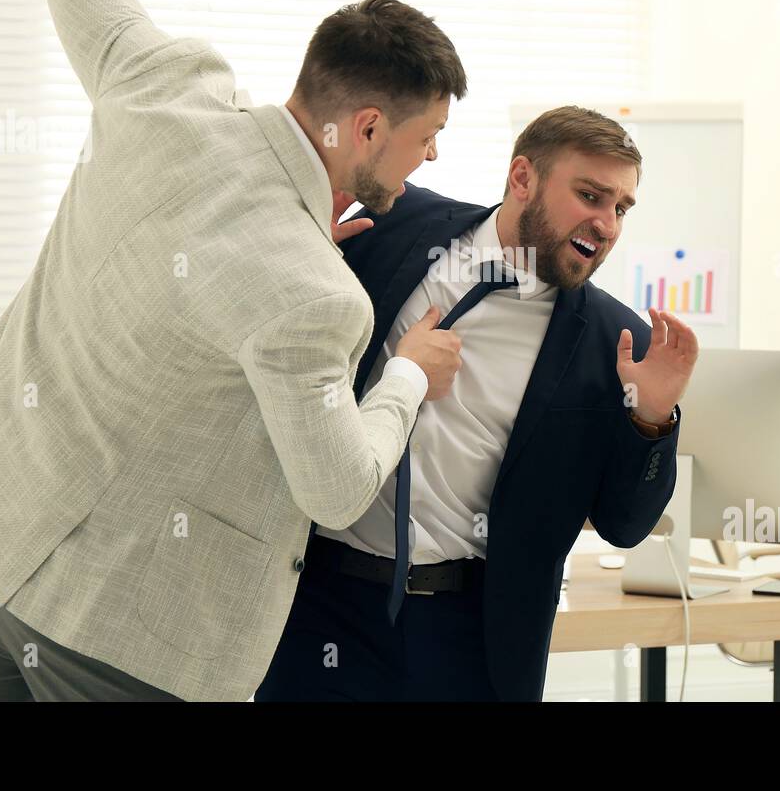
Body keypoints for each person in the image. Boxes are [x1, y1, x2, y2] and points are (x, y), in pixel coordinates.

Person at [0, 0, 468, 701]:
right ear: (366, 127)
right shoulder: (314, 295)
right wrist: (408, 376)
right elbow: (336, 488)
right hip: (118, 634)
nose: (429, 160)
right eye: (425, 137)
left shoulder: (162, 86)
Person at [256, 106, 699, 701]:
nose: (607, 223)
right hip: (322, 606)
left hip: (471, 638)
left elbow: (625, 526)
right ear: (523, 178)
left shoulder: (617, 344)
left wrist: (652, 419)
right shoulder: (397, 222)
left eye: (620, 207)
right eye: (590, 195)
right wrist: (307, 254)